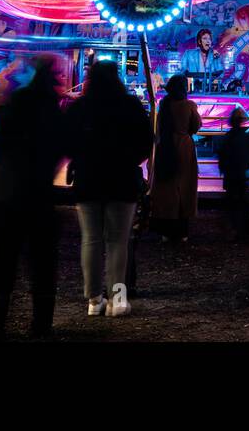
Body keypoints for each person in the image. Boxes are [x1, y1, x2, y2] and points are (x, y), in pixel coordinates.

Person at [0, 54, 66, 340]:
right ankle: (41, 324)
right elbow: (58, 147)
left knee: (5, 257)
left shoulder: (18, 102)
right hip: (40, 193)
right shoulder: (53, 109)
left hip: (13, 193)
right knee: (42, 261)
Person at [65, 60, 153, 317]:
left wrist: (81, 158)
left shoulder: (81, 107)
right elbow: (146, 140)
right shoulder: (130, 105)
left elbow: (67, 140)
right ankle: (118, 299)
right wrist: (129, 160)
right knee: (118, 241)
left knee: (90, 240)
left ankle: (94, 299)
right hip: (122, 180)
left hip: (88, 180)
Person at [151, 75, 202, 243]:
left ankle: (165, 230)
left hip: (164, 147)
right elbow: (196, 126)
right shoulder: (188, 105)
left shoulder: (164, 105)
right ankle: (182, 231)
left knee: (167, 189)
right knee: (184, 188)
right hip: (184, 149)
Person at [215, 105, 249, 243]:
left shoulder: (226, 138)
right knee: (245, 204)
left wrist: (222, 169)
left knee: (231, 202)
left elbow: (221, 156)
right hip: (244, 174)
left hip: (230, 175)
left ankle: (231, 229)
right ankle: (245, 232)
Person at [179, 29, 220, 93]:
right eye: (205, 38)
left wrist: (216, 58)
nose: (208, 41)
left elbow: (220, 72)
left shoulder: (214, 55)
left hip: (210, 88)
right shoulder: (189, 53)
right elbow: (182, 70)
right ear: (199, 41)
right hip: (192, 86)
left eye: (209, 39)